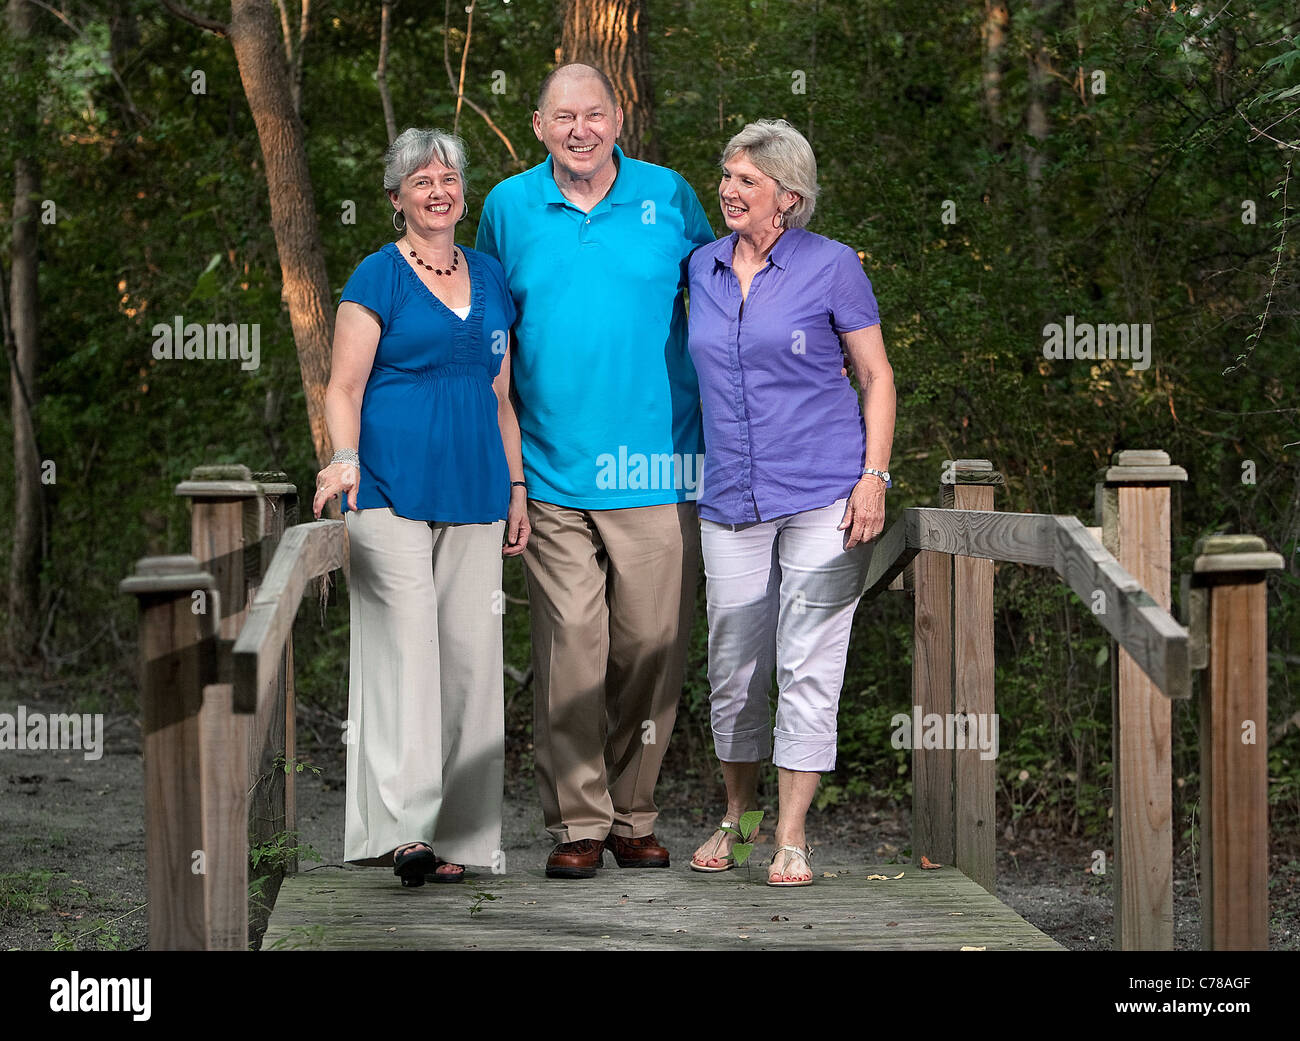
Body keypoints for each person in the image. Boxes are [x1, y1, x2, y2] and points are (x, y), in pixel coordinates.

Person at [475, 64, 714, 879]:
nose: (581, 129)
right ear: (538, 125)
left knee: (653, 642)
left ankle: (632, 811)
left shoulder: (671, 196)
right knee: (572, 645)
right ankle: (579, 819)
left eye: (595, 114)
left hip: (657, 463)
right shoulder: (508, 207)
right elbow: (487, 336)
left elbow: (725, 304)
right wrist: (501, 469)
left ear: (620, 119)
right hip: (546, 469)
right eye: (563, 116)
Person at [312, 127, 529, 887]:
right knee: (405, 654)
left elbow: (501, 397)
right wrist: (342, 461)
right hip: (389, 493)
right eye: (421, 180)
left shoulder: (494, 278)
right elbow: (342, 386)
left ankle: (462, 837)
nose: (438, 190)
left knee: (470, 665)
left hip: (476, 494)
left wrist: (517, 488)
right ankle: (406, 831)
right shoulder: (378, 277)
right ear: (397, 196)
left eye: (449, 178)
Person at [685, 119, 896, 886]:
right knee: (734, 665)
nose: (728, 189)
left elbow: (875, 376)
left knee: (810, 661)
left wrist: (875, 476)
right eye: (727, 175)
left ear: (789, 197)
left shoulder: (833, 266)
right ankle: (736, 820)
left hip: (824, 494)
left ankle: (793, 834)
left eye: (746, 180)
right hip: (731, 495)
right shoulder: (700, 267)